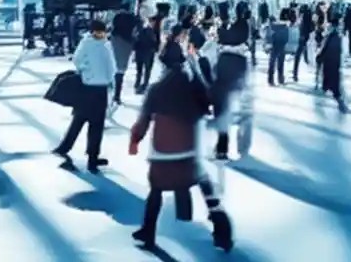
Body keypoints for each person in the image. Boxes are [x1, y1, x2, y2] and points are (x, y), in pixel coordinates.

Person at [129, 28, 233, 252]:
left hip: (162, 151)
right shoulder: (192, 85)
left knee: (156, 191)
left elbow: (143, 121)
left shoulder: (156, 90)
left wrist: (135, 139)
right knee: (204, 184)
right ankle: (221, 228)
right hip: (187, 151)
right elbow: (208, 104)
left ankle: (148, 232)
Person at [53, 20, 117, 173]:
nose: (101, 34)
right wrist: (87, 71)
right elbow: (77, 60)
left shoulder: (104, 44)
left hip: (97, 88)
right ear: (92, 31)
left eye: (103, 32)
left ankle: (84, 153)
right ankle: (87, 156)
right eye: (98, 32)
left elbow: (110, 65)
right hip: (91, 87)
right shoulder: (88, 43)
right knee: (86, 122)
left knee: (86, 121)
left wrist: (108, 81)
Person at [211, 3, 251, 159]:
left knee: (222, 108)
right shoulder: (243, 27)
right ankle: (238, 146)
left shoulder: (234, 28)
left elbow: (224, 37)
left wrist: (222, 29)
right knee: (234, 109)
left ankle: (222, 146)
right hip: (238, 68)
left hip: (226, 67)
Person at [317, 20, 349, 113]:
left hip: (329, 64)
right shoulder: (338, 37)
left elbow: (325, 49)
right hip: (335, 64)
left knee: (333, 86)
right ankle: (338, 101)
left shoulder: (330, 37)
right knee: (332, 84)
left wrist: (319, 57)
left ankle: (341, 104)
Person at [133, 15, 160, 94]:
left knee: (140, 70)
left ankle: (138, 85)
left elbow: (136, 42)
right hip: (148, 53)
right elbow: (156, 44)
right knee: (146, 70)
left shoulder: (141, 30)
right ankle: (143, 86)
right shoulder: (153, 32)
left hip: (141, 53)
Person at [268, 9, 291, 86]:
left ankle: (270, 80)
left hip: (274, 47)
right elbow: (287, 37)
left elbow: (269, 37)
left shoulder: (271, 27)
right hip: (282, 46)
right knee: (281, 64)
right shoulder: (285, 26)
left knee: (272, 64)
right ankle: (280, 79)